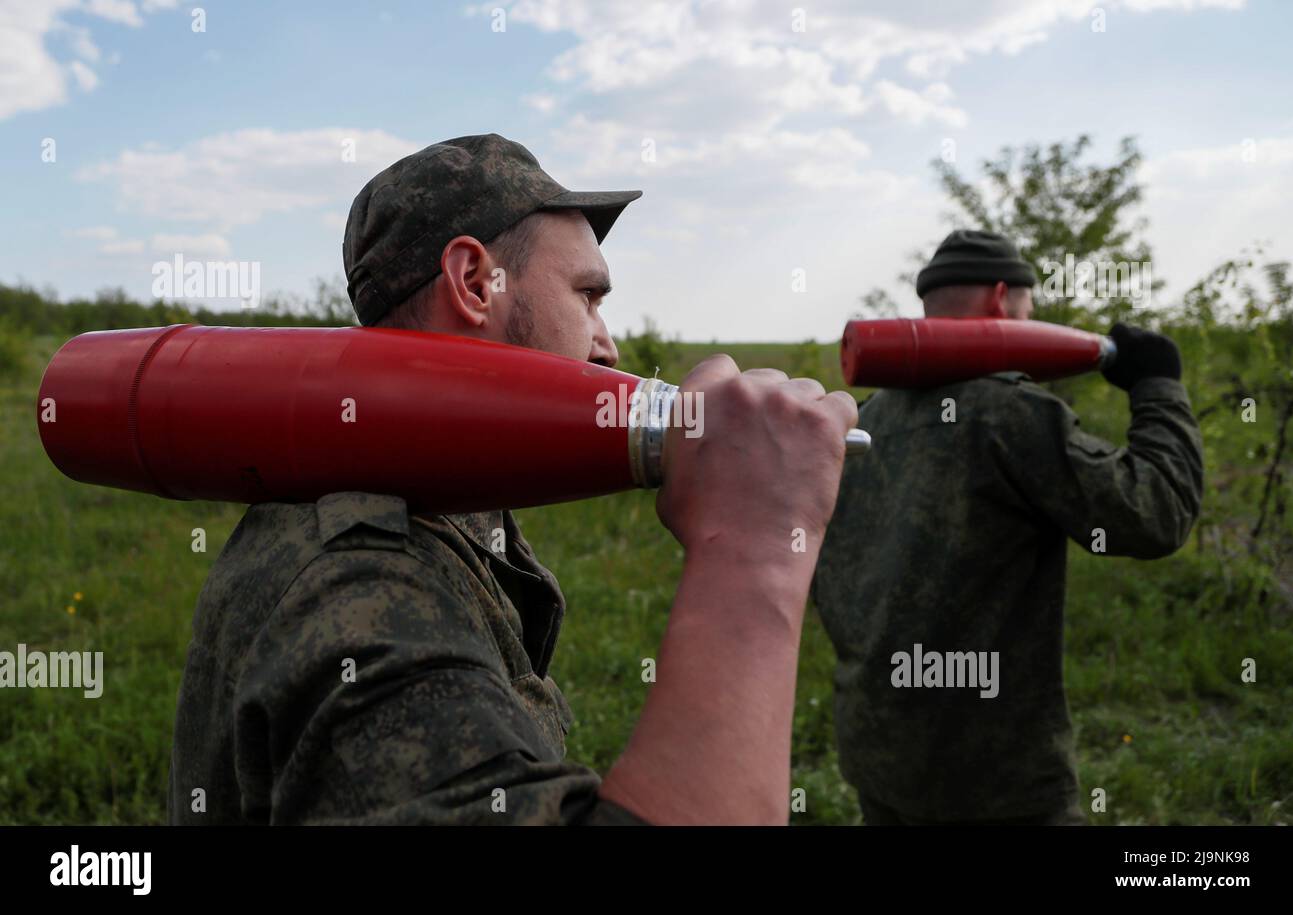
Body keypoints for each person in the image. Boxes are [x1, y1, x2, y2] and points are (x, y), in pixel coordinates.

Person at [168, 133, 858, 825]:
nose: (608, 343)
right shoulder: (356, 586)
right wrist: (755, 546)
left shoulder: (422, 497)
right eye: (587, 295)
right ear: (475, 282)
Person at [813, 229, 1204, 825]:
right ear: (1002, 300)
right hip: (997, 782)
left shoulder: (862, 422)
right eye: (1030, 305)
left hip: (879, 758)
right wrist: (1160, 388)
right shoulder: (1007, 411)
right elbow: (1155, 513)